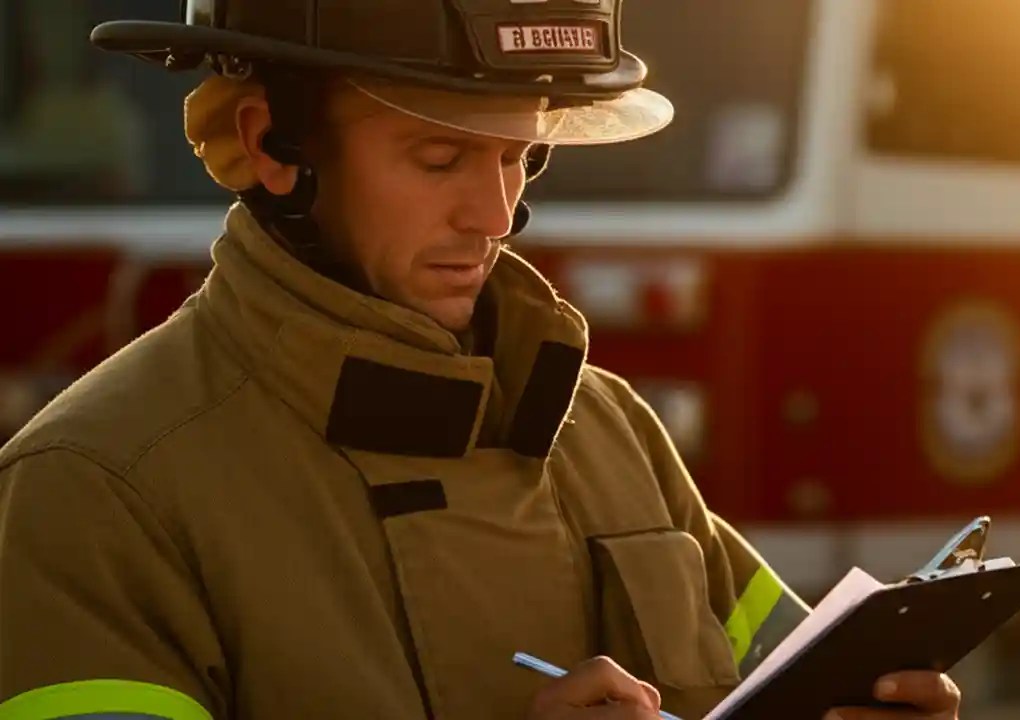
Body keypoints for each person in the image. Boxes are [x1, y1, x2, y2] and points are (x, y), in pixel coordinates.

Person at [0, 2, 962, 719]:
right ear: (272, 144)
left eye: (519, 156)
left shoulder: (609, 427)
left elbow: (782, 676)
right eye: (439, 158)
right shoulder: (94, 492)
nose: (494, 215)